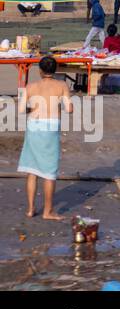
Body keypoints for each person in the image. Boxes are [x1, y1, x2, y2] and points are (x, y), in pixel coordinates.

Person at [18, 56, 72, 219]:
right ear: (55, 70)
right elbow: (69, 109)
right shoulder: (62, 85)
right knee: (49, 171)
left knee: (32, 170)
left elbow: (21, 109)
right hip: (50, 127)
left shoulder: (31, 86)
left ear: (40, 70)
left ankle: (30, 209)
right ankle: (48, 212)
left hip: (34, 125)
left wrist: (32, 110)